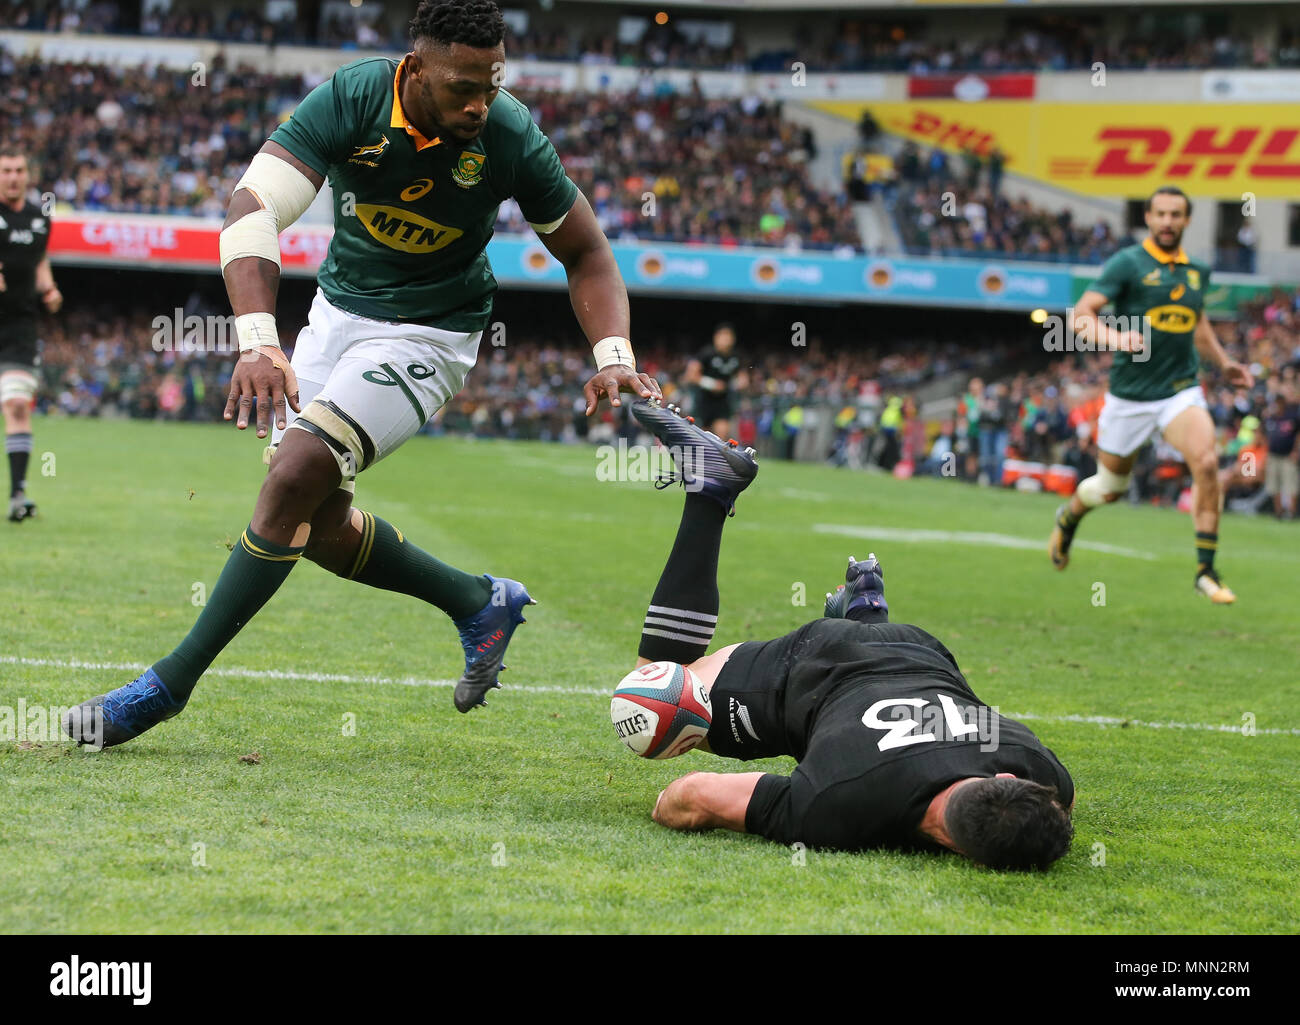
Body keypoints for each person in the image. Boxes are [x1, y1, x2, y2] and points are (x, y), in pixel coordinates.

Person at [64, 0, 660, 749]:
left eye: (493, 82)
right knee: (311, 525)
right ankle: (479, 601)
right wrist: (257, 340)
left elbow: (589, 252)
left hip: (433, 332)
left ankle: (166, 686)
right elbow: (251, 210)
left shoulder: (508, 134)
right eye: (461, 87)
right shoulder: (352, 99)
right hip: (337, 317)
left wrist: (613, 355)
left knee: (291, 477)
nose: (480, 103)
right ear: (414, 70)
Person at [629, 399, 1075, 871]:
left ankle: (865, 614)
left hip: (919, 649)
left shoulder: (1037, 767)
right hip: (818, 662)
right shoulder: (835, 802)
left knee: (840, 717)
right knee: (655, 698)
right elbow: (690, 797)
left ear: (1006, 776)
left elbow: (1055, 805)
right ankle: (710, 491)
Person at [1048, 186, 1254, 603]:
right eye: (1160, 214)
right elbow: (1082, 317)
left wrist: (1223, 361)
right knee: (1109, 488)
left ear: (1187, 220)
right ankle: (1069, 517)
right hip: (1129, 396)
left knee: (1208, 461)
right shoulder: (1128, 263)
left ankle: (1205, 570)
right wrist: (1116, 338)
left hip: (1179, 391)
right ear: (1148, 218)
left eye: (1175, 214)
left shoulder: (1197, 270)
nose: (1167, 221)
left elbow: (1197, 324)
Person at [0, 148, 61, 522]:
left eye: (19, 170)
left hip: (19, 328)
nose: (12, 177)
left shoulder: (41, 218)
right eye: (5, 170)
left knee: (17, 405)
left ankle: (18, 495)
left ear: (27, 174)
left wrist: (48, 288)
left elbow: (40, 258)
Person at [684, 322, 745, 439]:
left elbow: (742, 378)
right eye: (723, 335)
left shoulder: (736, 356)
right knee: (702, 437)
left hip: (723, 401)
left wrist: (737, 384)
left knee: (721, 436)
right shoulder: (706, 353)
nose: (726, 339)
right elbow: (691, 375)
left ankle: (716, 457)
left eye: (729, 336)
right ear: (716, 337)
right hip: (704, 400)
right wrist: (712, 384)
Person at [1262, 392, 1298, 519]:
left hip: (1287, 455)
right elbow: (1265, 436)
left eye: (1277, 402)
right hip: (1273, 455)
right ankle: (1279, 512)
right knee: (1274, 485)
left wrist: (1296, 451)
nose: (1275, 405)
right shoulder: (1270, 418)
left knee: (1291, 485)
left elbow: (1298, 435)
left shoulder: (1292, 416)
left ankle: (1292, 513)